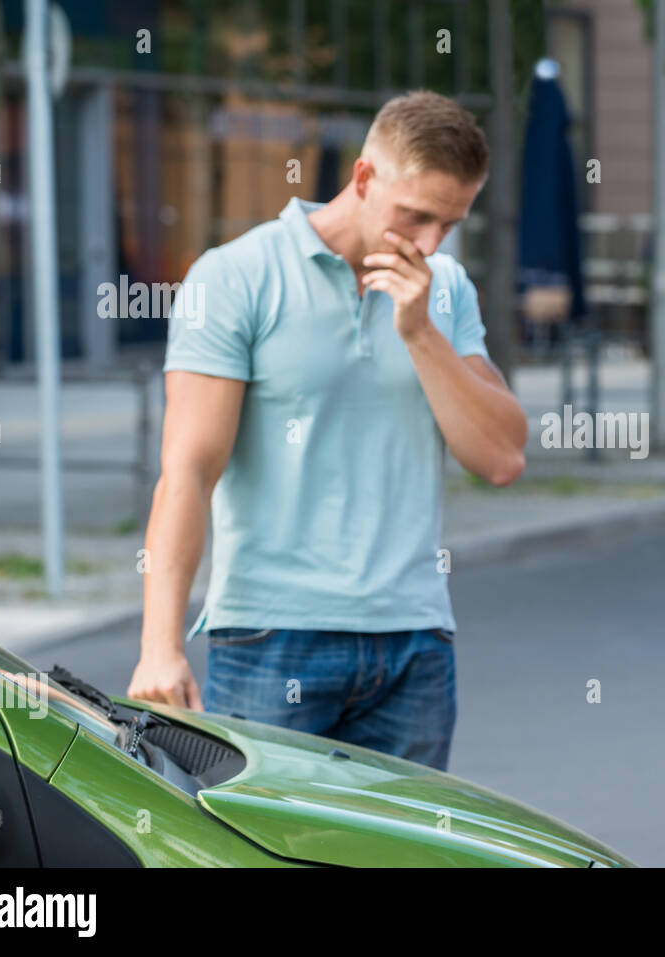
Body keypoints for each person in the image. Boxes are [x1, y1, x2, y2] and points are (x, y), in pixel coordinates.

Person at [126, 90, 527, 773]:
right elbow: (189, 470)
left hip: (413, 639)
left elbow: (501, 455)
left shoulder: (445, 288)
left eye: (449, 224)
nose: (428, 242)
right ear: (364, 179)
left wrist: (421, 331)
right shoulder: (236, 277)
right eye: (416, 217)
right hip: (270, 635)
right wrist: (160, 644)